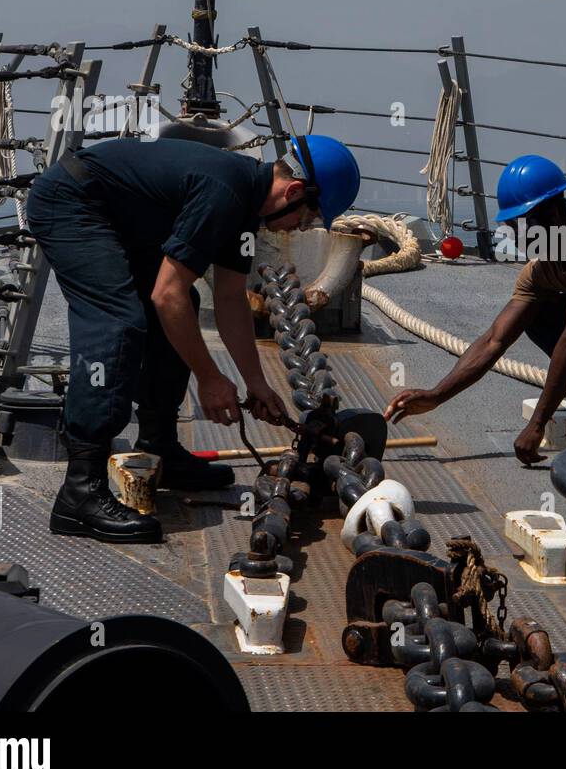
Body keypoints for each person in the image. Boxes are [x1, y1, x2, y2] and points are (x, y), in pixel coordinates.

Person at [26, 133, 360, 543]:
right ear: (292, 191)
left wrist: (254, 381)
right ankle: (79, 491)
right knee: (118, 319)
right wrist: (210, 378)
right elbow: (166, 295)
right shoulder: (225, 192)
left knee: (188, 296)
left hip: (117, 215)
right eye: (307, 219)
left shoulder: (245, 208)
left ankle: (159, 445)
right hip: (72, 203)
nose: (300, 227)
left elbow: (230, 298)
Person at [383, 155, 566, 465]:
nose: (519, 236)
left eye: (525, 224)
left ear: (556, 212)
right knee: (542, 319)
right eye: (513, 227)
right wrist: (436, 395)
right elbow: (494, 340)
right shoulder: (540, 271)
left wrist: (536, 425)